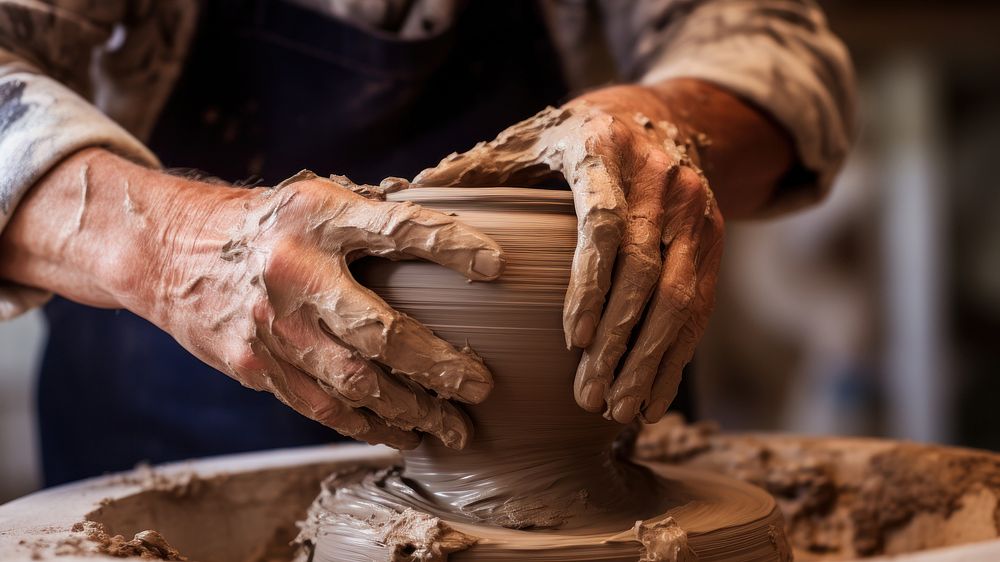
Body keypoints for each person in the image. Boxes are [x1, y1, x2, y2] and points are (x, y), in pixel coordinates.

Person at [0, 1, 853, 486]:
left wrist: (661, 124)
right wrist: (181, 248)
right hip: (175, 423)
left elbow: (776, 51)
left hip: (591, 449)